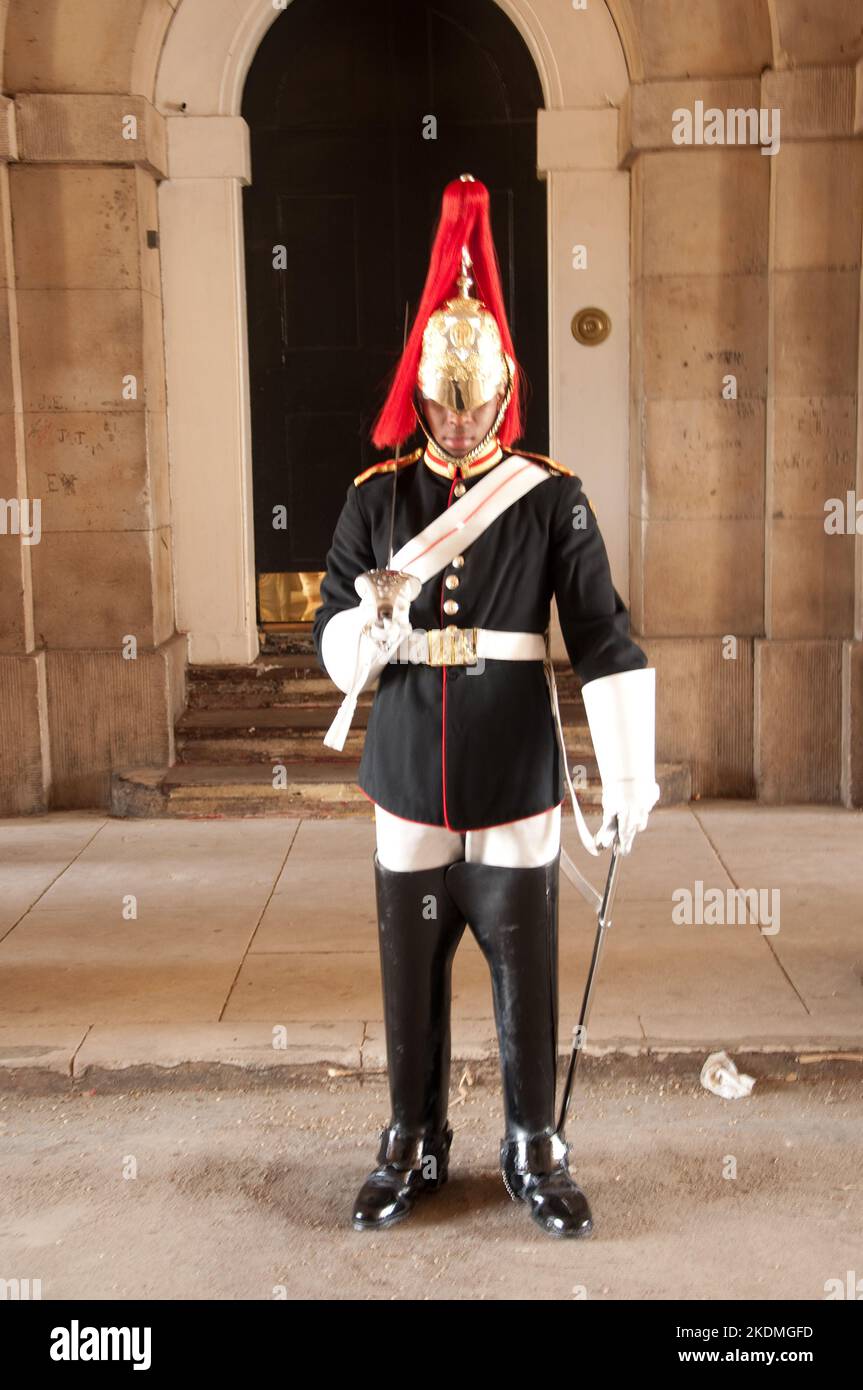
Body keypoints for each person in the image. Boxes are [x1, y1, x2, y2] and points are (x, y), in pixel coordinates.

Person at [312, 175, 659, 1239]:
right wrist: (359, 638)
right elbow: (329, 624)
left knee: (525, 971)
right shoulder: (377, 498)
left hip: (512, 769)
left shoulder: (551, 497)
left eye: (474, 403)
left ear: (502, 392)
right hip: (412, 766)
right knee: (407, 977)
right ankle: (410, 1137)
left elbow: (598, 632)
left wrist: (627, 766)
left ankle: (529, 1141)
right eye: (442, 402)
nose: (457, 422)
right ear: (420, 393)